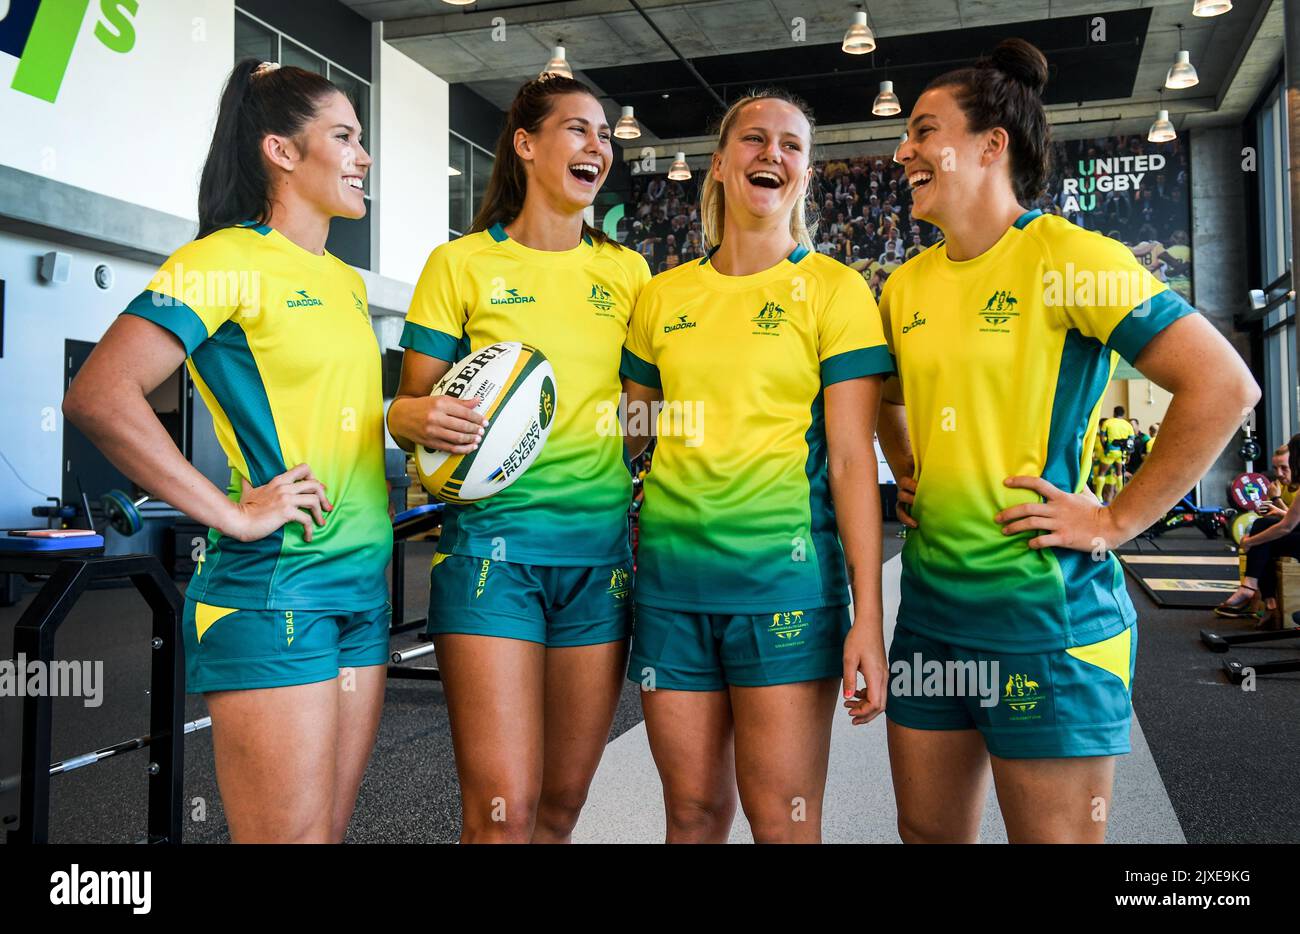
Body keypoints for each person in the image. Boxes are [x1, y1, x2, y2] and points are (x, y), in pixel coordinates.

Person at [876, 38, 1259, 843]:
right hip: (932, 615)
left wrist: (1117, 522)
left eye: (922, 130)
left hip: (1049, 620)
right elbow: (885, 391)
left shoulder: (1071, 258)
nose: (902, 149)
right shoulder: (904, 285)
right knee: (925, 836)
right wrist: (909, 466)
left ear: (991, 145)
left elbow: (1224, 385)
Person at [63, 61, 389, 842]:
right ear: (281, 151)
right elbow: (100, 394)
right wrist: (230, 515)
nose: (363, 156)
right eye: (344, 137)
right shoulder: (223, 260)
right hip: (275, 593)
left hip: (362, 595)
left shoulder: (344, 282)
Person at [621, 88, 892, 843]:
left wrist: (866, 615)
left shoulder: (834, 292)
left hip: (787, 590)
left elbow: (847, 460)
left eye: (792, 145)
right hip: (673, 595)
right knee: (694, 815)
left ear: (805, 174)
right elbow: (630, 433)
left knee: (782, 821)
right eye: (754, 140)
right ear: (717, 164)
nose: (772, 153)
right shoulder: (662, 295)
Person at [386, 75, 650, 844]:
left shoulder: (629, 274)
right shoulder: (459, 264)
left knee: (560, 809)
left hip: (598, 562)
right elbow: (411, 409)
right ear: (527, 145)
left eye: (604, 135)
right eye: (578, 130)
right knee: (501, 810)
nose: (597, 147)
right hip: (490, 561)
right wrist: (413, 416)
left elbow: (643, 418)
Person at [1216, 439, 1300, 620]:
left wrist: (1250, 541)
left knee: (1261, 536)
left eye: (1285, 468)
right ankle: (1266, 598)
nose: (1279, 474)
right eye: (1276, 468)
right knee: (1263, 533)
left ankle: (1255, 592)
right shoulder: (1281, 486)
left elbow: (1288, 525)